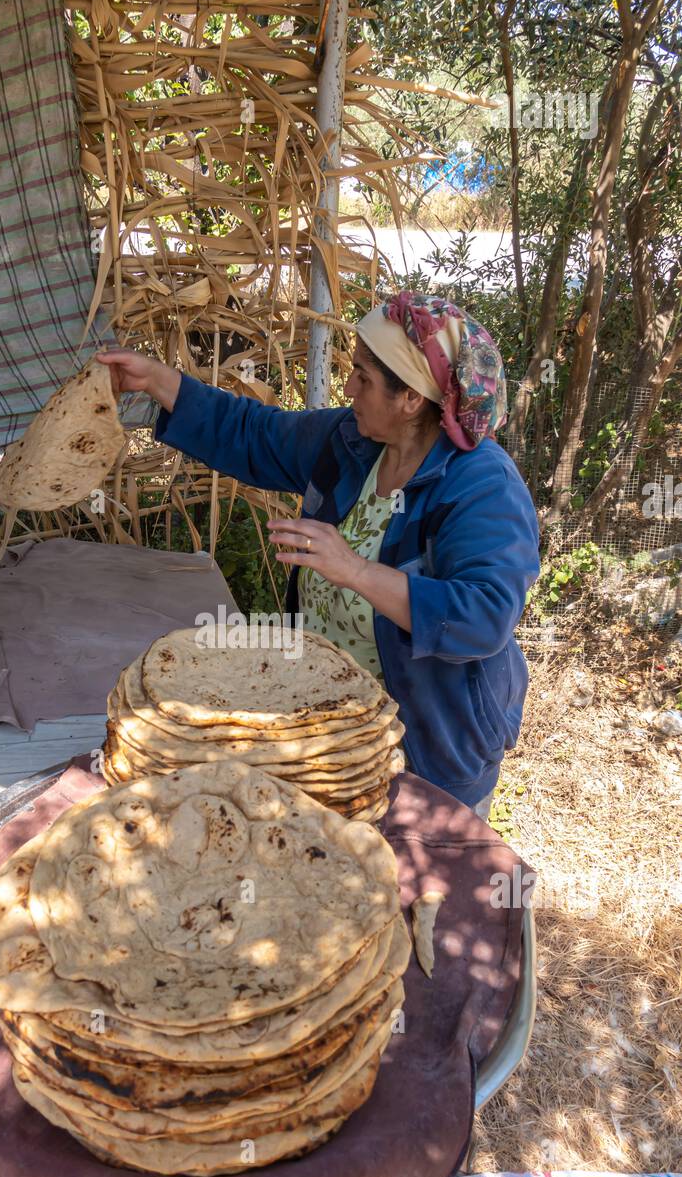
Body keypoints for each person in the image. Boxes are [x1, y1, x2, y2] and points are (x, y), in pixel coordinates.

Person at [97, 292, 540, 814]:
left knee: (411, 884)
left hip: (427, 745)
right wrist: (157, 380)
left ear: (411, 400)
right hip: (325, 728)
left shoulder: (481, 485)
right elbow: (255, 434)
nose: (348, 387)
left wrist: (352, 569)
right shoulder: (351, 442)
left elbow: (482, 617)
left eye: (363, 377)